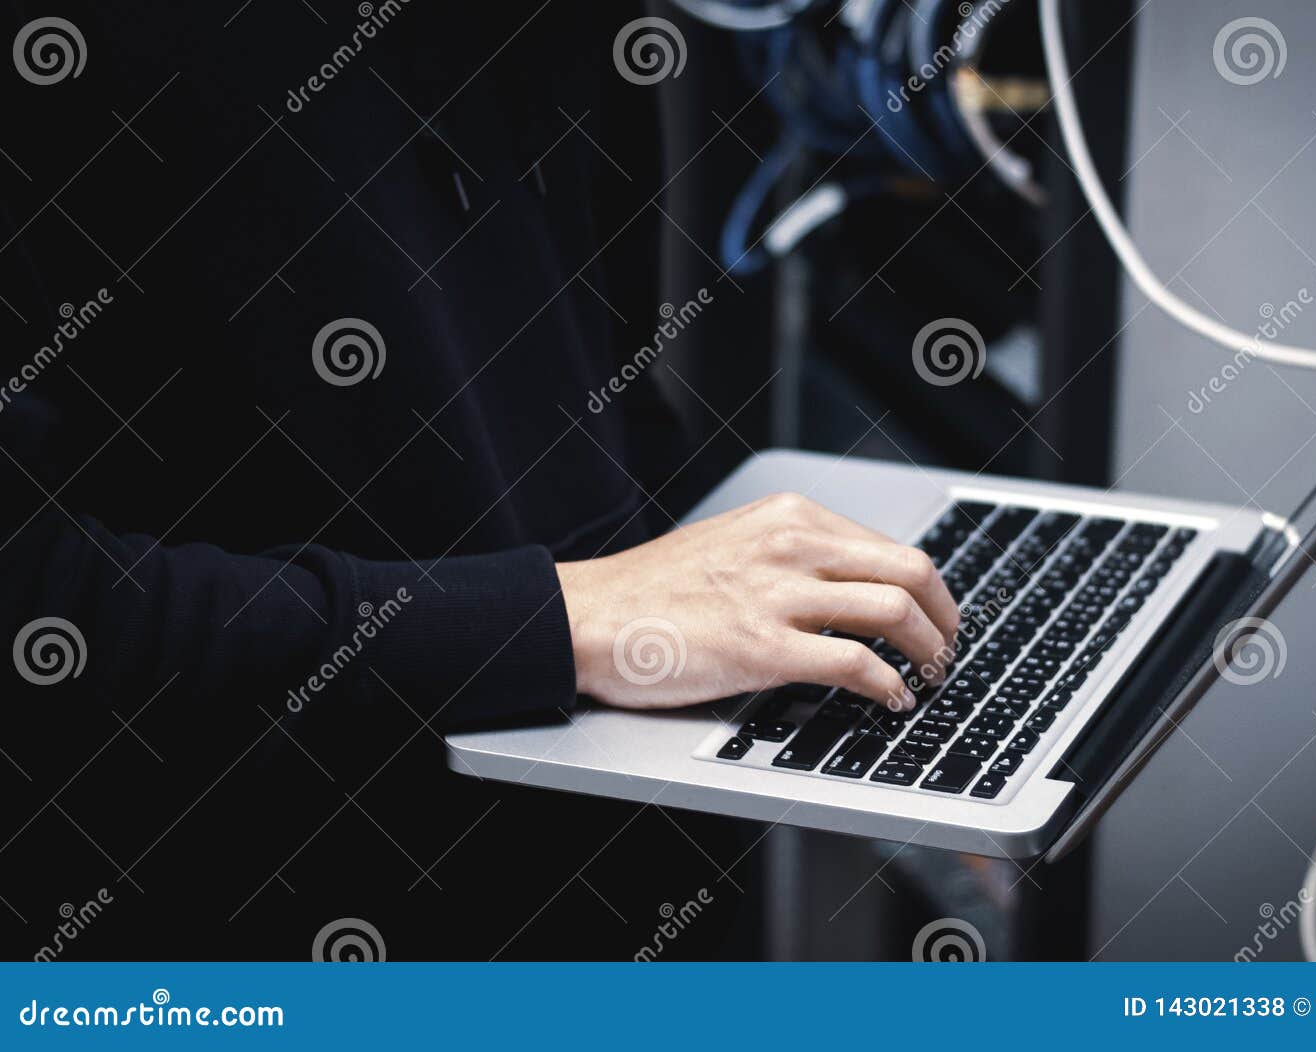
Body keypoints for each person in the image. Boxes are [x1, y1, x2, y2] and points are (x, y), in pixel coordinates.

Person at [0, 4, 954, 959]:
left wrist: (767, 576)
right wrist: (560, 623)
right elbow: (41, 610)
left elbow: (583, 375)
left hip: (633, 892)